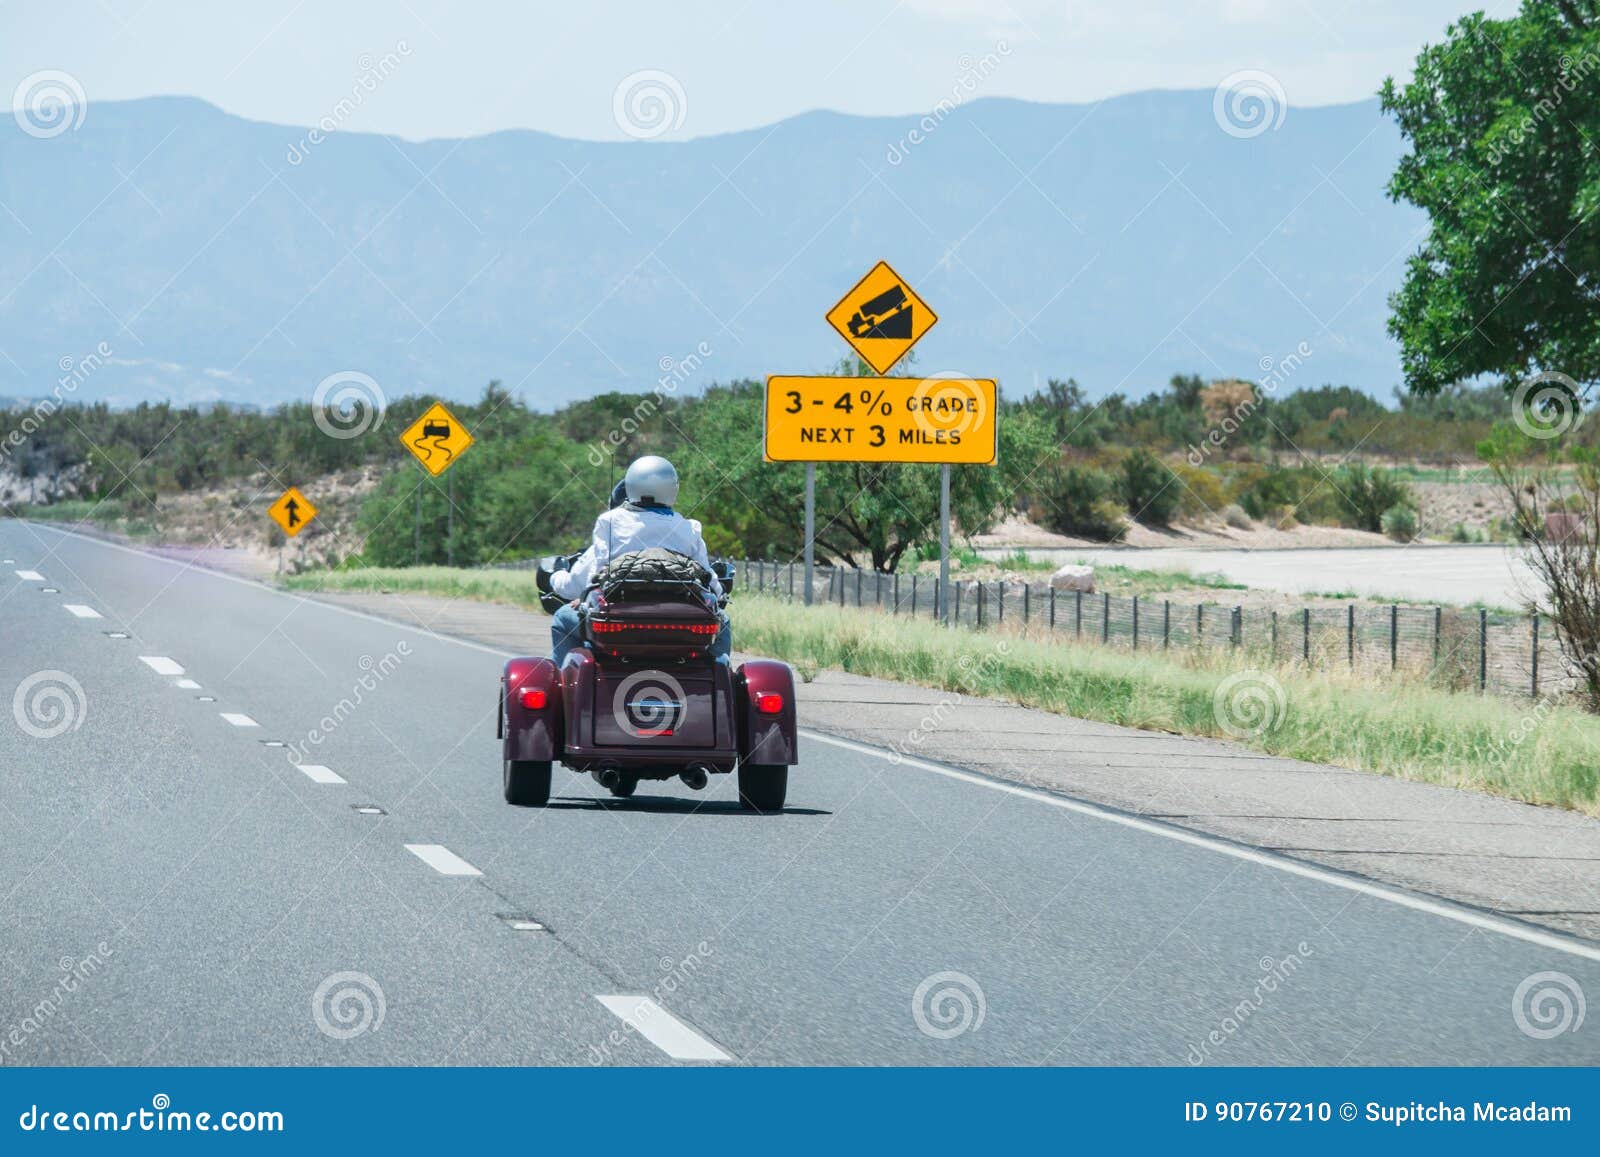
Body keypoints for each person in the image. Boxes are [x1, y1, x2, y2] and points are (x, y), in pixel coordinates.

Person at [549, 455, 729, 665]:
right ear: (673, 488)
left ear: (630, 485)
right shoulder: (689, 527)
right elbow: (709, 581)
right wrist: (720, 591)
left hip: (617, 624)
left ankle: (565, 685)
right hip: (680, 626)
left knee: (562, 618)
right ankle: (720, 683)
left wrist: (562, 582)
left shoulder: (609, 521)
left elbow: (595, 575)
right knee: (723, 622)